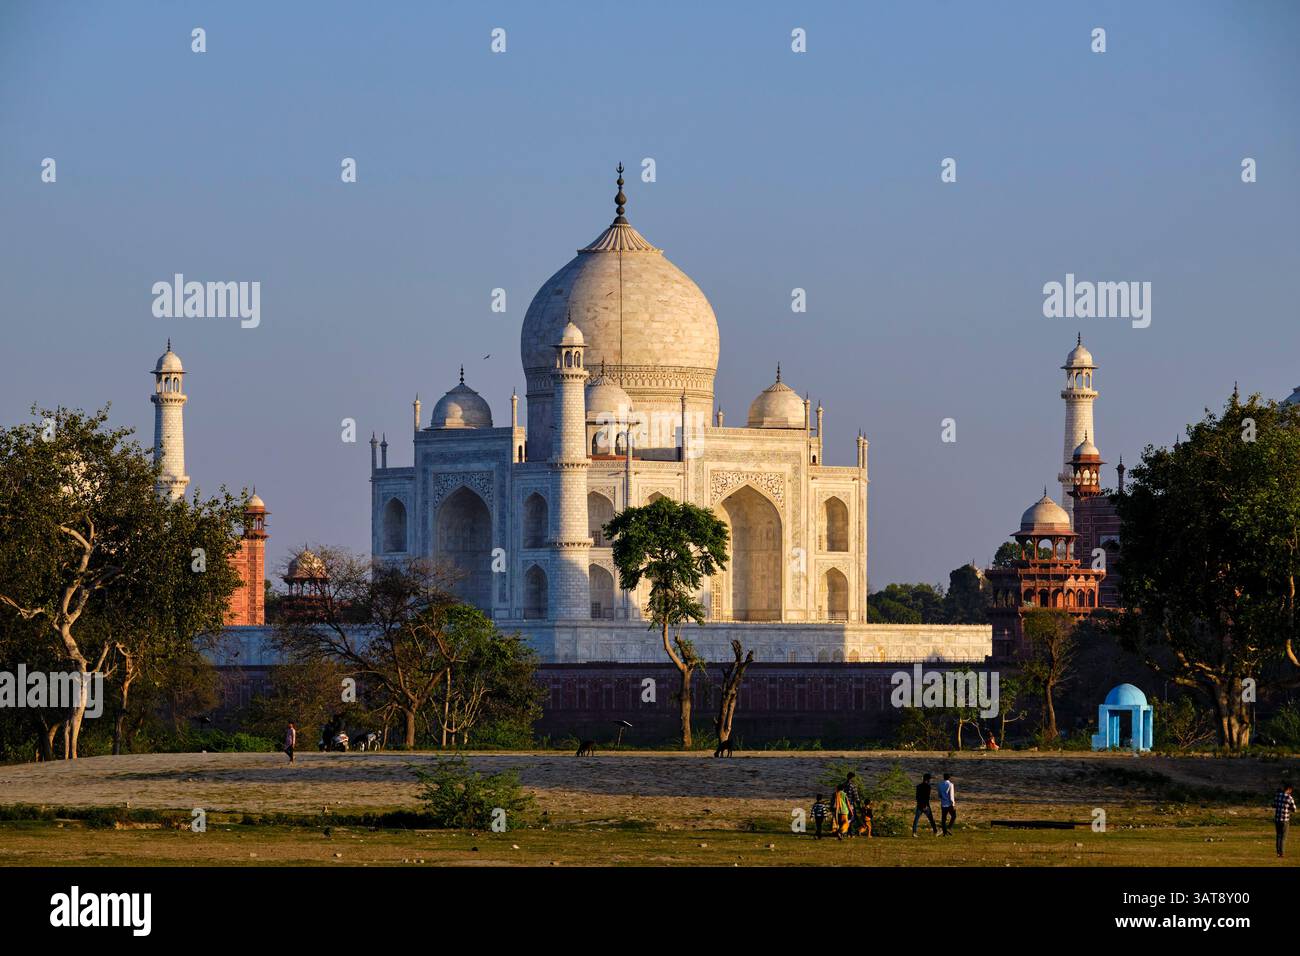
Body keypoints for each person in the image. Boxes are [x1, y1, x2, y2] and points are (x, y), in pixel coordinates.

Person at [1274, 782, 1295, 858]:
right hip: (1285, 820)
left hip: (1277, 819)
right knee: (1284, 837)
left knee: (1278, 836)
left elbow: (1274, 805)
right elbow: (1294, 809)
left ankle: (1278, 852)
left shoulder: (1278, 795)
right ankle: (1282, 853)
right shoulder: (1289, 798)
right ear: (1289, 789)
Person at [844, 772, 863, 837]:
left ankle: (846, 831)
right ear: (852, 778)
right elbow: (856, 797)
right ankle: (850, 833)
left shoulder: (843, 784)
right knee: (852, 818)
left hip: (843, 804)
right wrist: (859, 805)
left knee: (846, 818)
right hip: (850, 804)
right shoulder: (852, 786)